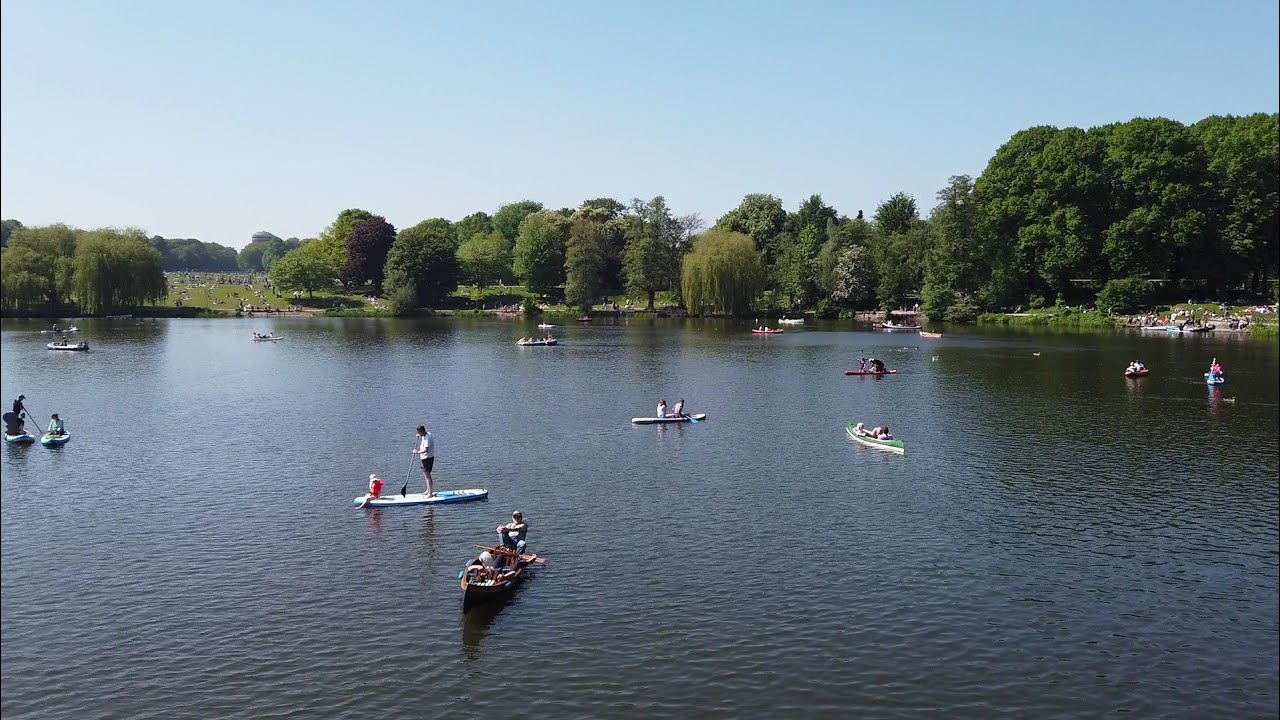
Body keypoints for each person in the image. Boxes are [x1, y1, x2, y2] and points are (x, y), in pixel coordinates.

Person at [415, 425, 435, 497]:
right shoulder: (425, 434)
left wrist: (417, 452)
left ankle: (430, 493)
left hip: (427, 458)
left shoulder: (428, 438)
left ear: (423, 431)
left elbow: (426, 449)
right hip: (424, 458)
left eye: (420, 432)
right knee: (425, 475)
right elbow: (422, 435)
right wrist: (419, 436)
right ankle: (428, 490)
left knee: (428, 475)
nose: (419, 434)